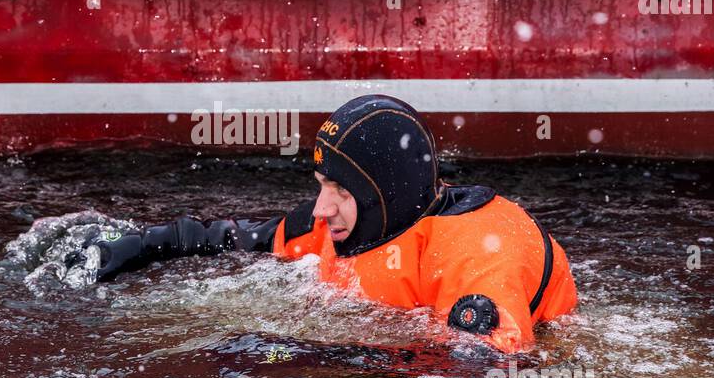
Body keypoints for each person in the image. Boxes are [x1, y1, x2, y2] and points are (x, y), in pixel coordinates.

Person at [82, 95, 577, 353]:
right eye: (322, 184)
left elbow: (485, 374)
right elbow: (234, 239)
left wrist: (303, 358)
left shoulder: (482, 256)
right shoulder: (343, 226)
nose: (320, 208)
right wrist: (137, 247)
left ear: (382, 194)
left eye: (340, 190)